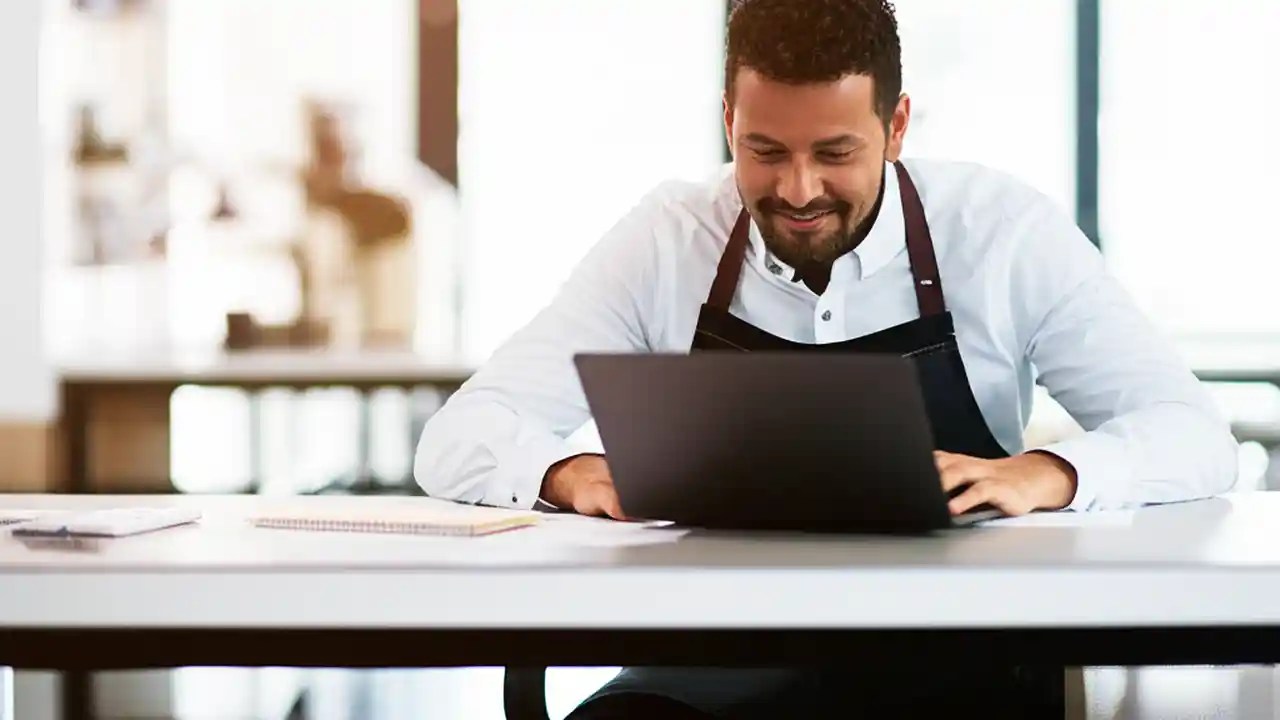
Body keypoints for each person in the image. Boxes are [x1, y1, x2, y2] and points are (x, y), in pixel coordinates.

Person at [415, 0, 1238, 715]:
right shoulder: (667, 237)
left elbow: (1194, 435)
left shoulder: (1002, 230)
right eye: (765, 151)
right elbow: (460, 436)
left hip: (958, 660)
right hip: (708, 666)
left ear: (899, 125)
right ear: (728, 122)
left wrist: (1047, 472)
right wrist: (571, 473)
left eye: (836, 153)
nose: (799, 189)